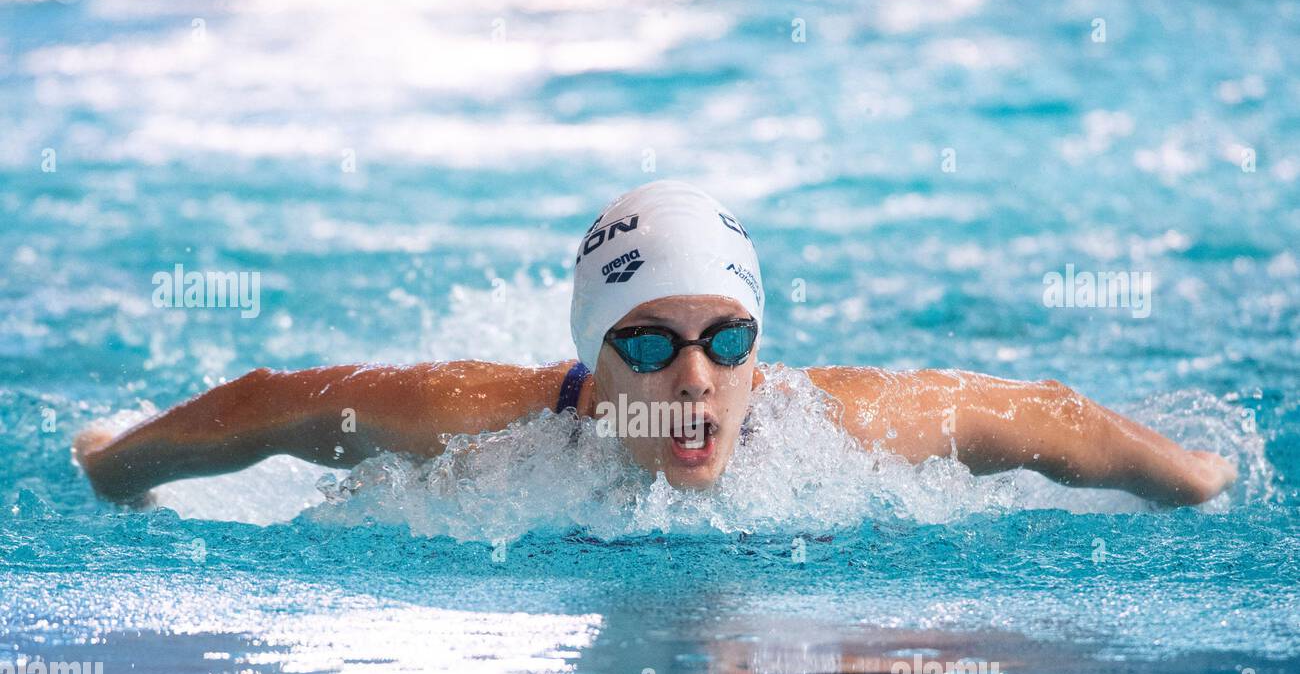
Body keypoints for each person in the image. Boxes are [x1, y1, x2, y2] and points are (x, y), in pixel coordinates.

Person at [74, 180, 1237, 508]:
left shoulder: (824, 428)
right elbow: (272, 403)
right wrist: (116, 464)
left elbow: (1038, 416)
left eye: (726, 337)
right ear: (591, 356)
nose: (694, 379)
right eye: (648, 345)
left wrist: (1199, 481)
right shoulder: (478, 420)